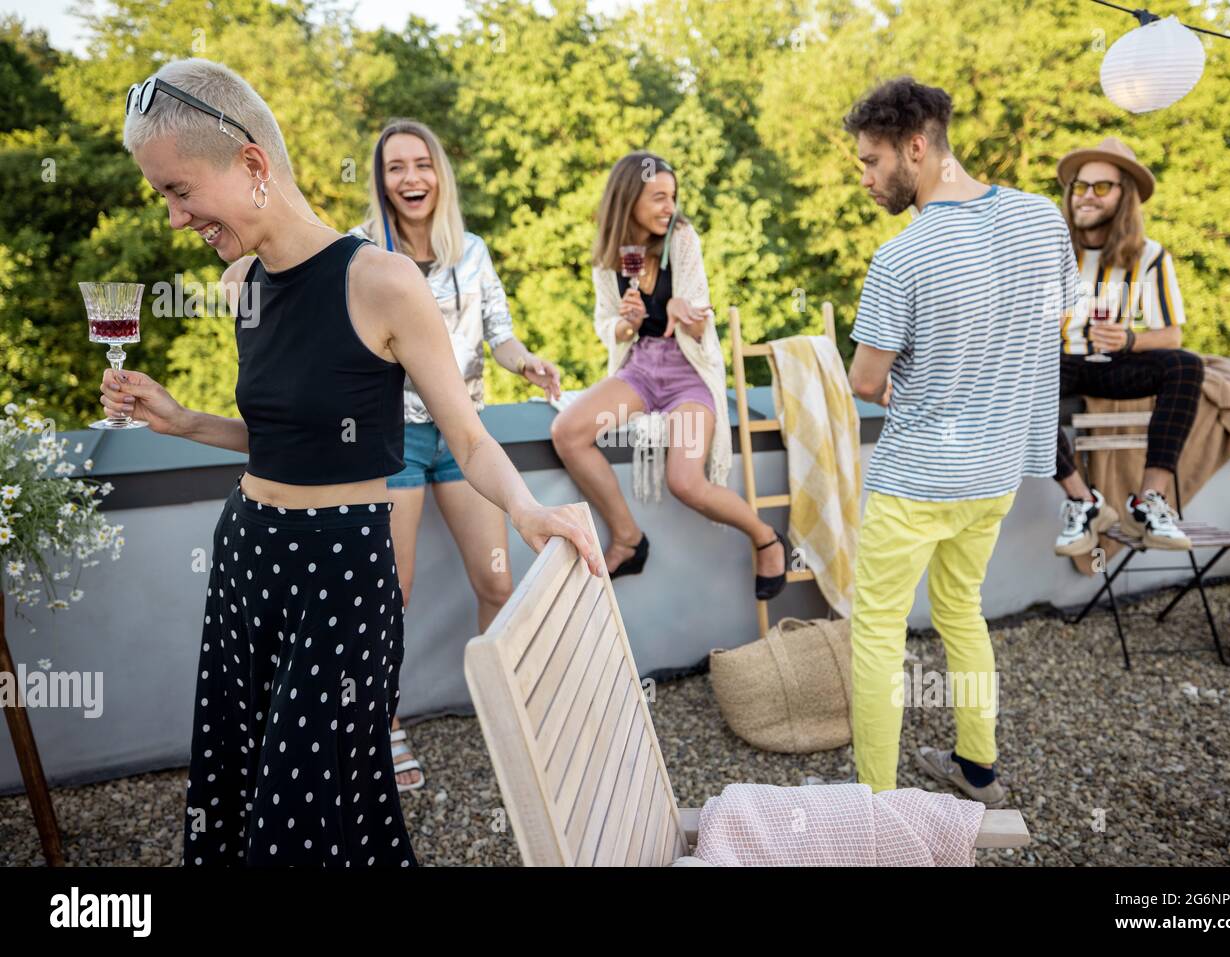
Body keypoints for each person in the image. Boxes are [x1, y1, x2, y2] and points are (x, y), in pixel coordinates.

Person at [104, 58, 599, 867]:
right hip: (247, 558)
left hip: (341, 574)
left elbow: (468, 436)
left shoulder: (383, 281)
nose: (173, 218)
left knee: (313, 808)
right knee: (242, 783)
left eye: (178, 191)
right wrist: (183, 420)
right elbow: (283, 440)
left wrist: (530, 510)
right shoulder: (243, 285)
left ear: (253, 165)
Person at [843, 78, 1070, 805]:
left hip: (916, 480)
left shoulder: (901, 258)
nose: (867, 179)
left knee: (877, 631)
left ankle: (873, 805)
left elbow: (864, 379)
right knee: (962, 612)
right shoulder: (1042, 220)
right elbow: (1051, 324)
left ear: (917, 147)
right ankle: (978, 771)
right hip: (996, 472)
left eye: (872, 162)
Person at [349, 119, 563, 792]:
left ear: (439, 174)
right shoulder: (360, 253)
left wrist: (526, 361)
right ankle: (382, 725)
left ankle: (501, 713)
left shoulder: (471, 250)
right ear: (381, 183)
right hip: (393, 438)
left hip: (463, 435)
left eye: (423, 164)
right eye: (395, 168)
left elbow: (499, 335)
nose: (411, 178)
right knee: (393, 594)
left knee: (498, 582)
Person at [550, 152, 790, 599]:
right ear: (629, 199)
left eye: (672, 197)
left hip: (687, 377)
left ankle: (767, 538)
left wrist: (686, 313)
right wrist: (627, 322)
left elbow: (700, 316)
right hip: (641, 370)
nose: (669, 206)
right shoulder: (611, 258)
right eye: (658, 197)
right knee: (567, 431)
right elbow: (611, 328)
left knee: (685, 481)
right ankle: (628, 538)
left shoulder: (681, 238)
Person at [1051, 137, 1202, 555]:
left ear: (1124, 196)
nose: (1086, 196)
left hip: (1115, 364)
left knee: (1186, 366)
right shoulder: (1050, 250)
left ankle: (1148, 501)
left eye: (1101, 187)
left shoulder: (1150, 256)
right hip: (1059, 360)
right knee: (1021, 381)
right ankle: (1084, 501)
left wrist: (1130, 338)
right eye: (1081, 186)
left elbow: (1171, 335)